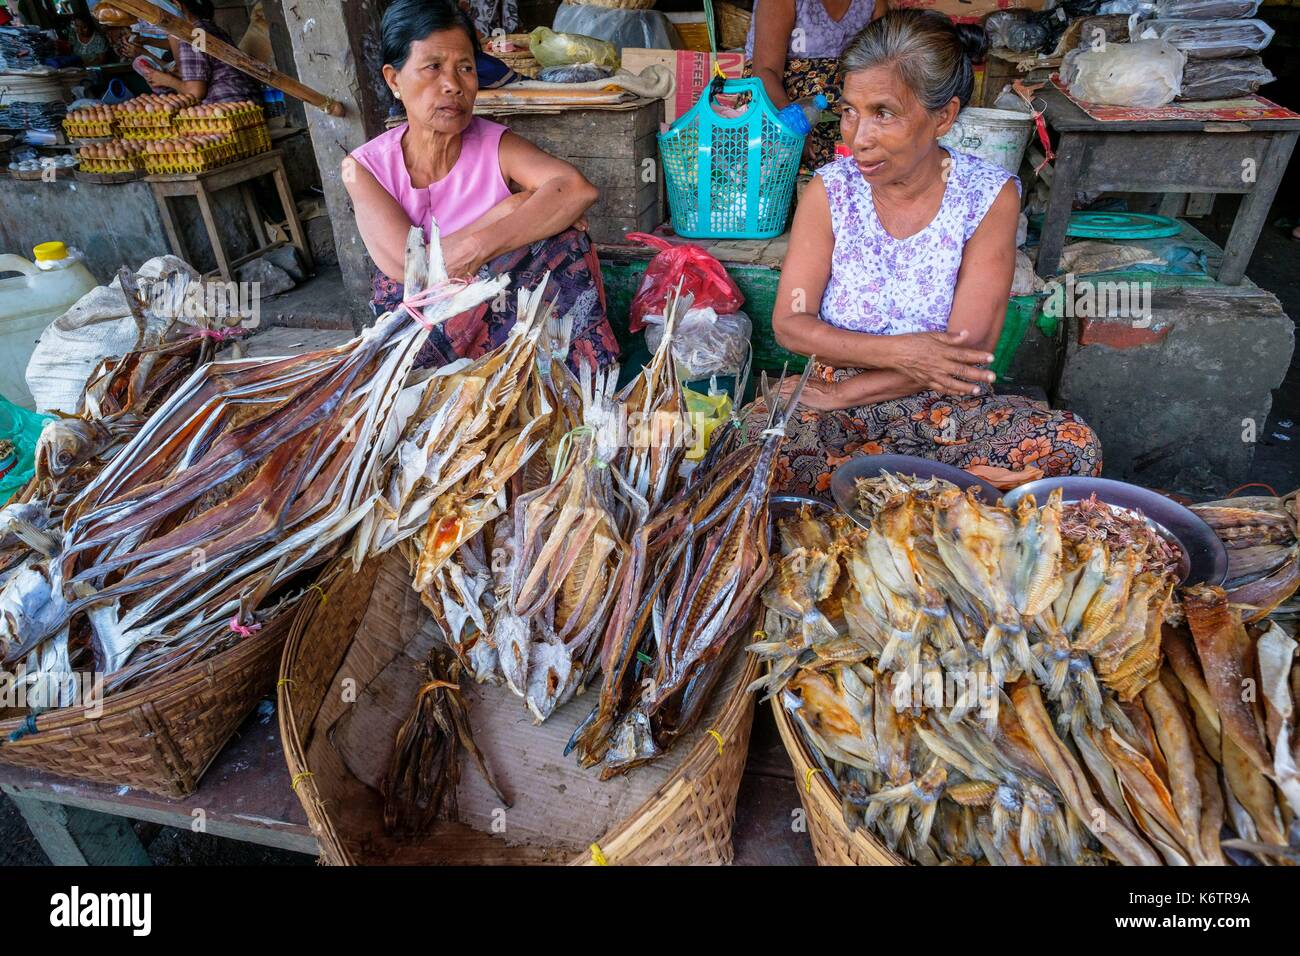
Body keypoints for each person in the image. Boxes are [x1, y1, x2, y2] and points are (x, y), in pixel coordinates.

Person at [744, 10, 1101, 497]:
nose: (858, 136)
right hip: (834, 405)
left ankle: (900, 491)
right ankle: (949, 494)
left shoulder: (988, 195)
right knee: (754, 446)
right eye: (850, 110)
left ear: (944, 117)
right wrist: (901, 354)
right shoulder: (830, 190)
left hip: (941, 404)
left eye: (883, 113)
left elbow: (964, 354)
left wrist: (845, 392)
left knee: (1072, 445)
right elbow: (791, 322)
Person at [343, 0, 618, 371]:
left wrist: (478, 246)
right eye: (433, 67)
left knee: (564, 241)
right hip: (422, 337)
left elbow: (575, 190)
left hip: (505, 324)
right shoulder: (362, 168)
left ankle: (572, 377)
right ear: (394, 80)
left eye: (465, 68)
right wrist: (506, 212)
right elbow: (410, 270)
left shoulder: (494, 143)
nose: (453, 85)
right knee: (534, 231)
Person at [747, 0, 885, 169]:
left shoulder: (873, 3)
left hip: (845, 112)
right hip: (783, 108)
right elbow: (765, 71)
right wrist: (795, 126)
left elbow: (884, 65)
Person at [140, 0, 263, 104]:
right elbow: (193, 75)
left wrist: (165, 80)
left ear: (177, 5)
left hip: (227, 102)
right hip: (247, 99)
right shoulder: (206, 27)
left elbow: (196, 92)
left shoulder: (193, 35)